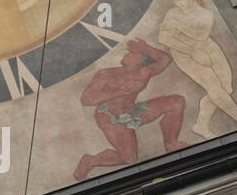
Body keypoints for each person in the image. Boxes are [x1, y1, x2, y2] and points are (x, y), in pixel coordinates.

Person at [74, 37, 187, 178]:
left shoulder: (144, 73)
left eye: (133, 54)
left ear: (141, 62)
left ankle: (172, 143)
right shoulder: (107, 74)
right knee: (129, 159)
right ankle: (90, 161)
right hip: (111, 117)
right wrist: (120, 91)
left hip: (132, 112)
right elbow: (86, 99)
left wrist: (145, 48)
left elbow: (164, 60)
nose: (127, 54)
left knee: (176, 102)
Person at [157, 0, 237, 137]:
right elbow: (164, 38)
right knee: (214, 88)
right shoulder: (172, 14)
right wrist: (191, 51)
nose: (178, 4)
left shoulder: (206, 14)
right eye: (176, 1)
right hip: (184, 54)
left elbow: (200, 36)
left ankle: (200, 125)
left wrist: (179, 26)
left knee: (226, 88)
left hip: (208, 47)